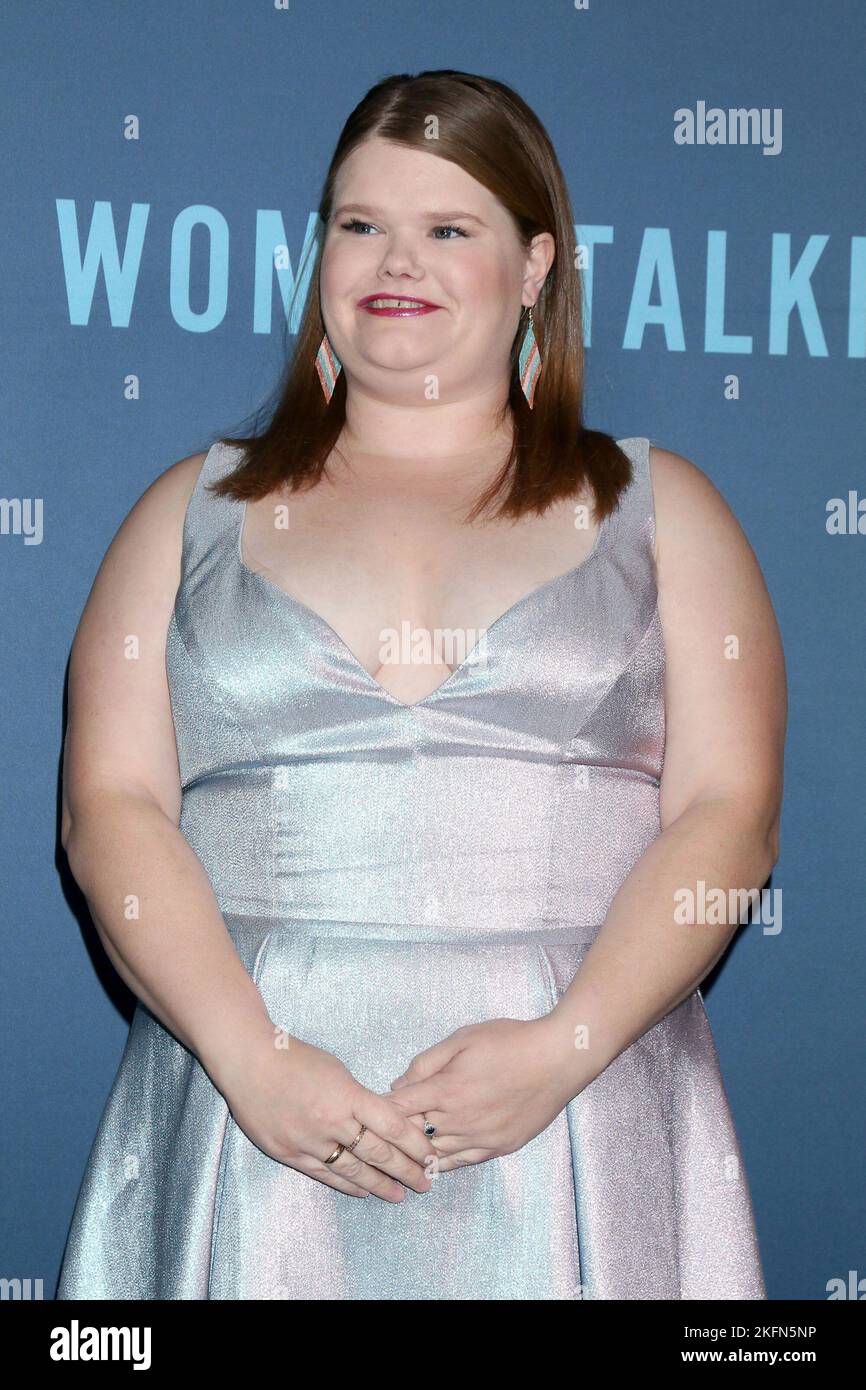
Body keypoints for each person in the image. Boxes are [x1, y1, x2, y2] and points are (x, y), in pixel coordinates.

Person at [56, 70, 785, 1301]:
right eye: (359, 224)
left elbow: (728, 815)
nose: (395, 260)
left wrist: (564, 1049)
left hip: (579, 1117)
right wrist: (255, 1058)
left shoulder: (665, 515)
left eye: (448, 227)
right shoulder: (186, 516)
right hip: (250, 1110)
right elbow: (111, 808)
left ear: (535, 263)